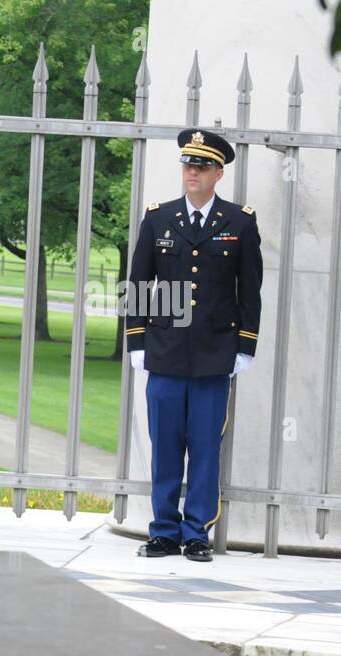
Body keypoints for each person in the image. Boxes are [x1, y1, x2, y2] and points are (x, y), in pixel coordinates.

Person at [125, 127, 263, 563]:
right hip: (164, 350)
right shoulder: (159, 218)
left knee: (204, 445)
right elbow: (140, 282)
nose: (192, 172)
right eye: (188, 163)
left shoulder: (239, 221)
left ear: (218, 173)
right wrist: (136, 340)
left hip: (214, 351)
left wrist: (245, 346)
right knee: (165, 443)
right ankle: (164, 530)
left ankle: (196, 531)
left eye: (202, 166)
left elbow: (251, 290)